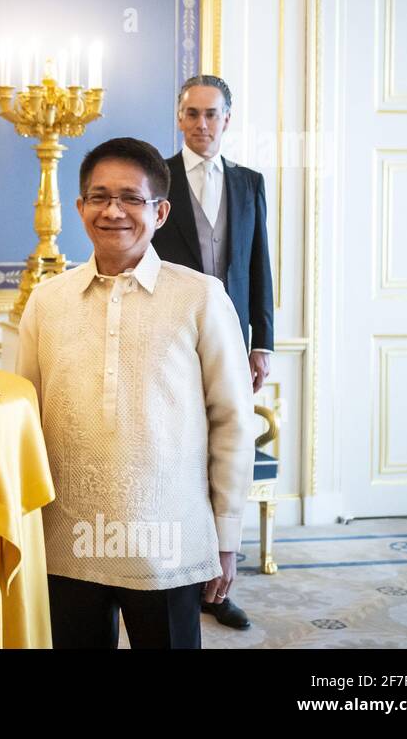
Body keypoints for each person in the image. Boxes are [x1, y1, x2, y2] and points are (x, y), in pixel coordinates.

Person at [17, 137, 255, 649]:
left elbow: (232, 420)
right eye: (99, 197)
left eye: (130, 198)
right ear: (80, 207)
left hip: (169, 536)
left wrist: (228, 538)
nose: (113, 211)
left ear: (161, 211)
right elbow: (25, 419)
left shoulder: (200, 297)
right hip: (68, 537)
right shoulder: (47, 301)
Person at [150, 74, 273, 630]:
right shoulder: (157, 179)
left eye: (212, 114)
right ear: (179, 118)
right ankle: (169, 572)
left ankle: (217, 590)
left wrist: (262, 341)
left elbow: (258, 265)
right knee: (178, 450)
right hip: (170, 337)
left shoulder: (250, 183)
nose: (202, 124)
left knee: (227, 451)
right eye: (192, 113)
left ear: (228, 119)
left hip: (230, 341)